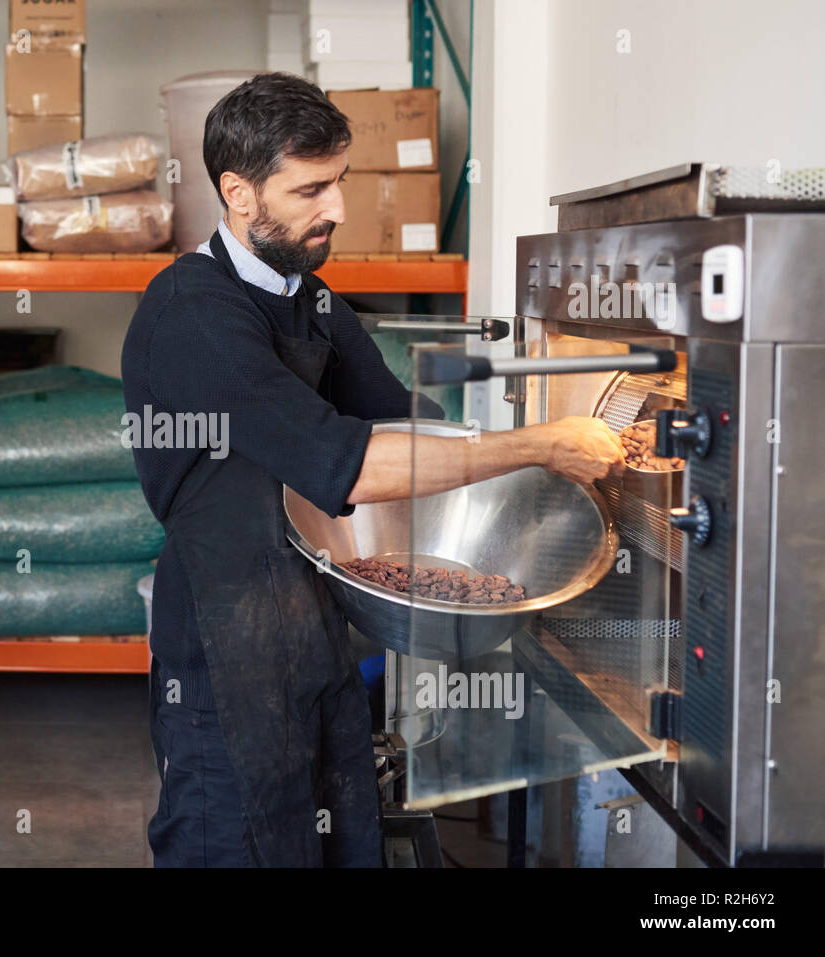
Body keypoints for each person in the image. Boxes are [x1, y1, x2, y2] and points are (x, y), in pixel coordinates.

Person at [120, 73, 625, 868]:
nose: (339, 209)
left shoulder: (311, 300)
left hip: (315, 625)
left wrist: (541, 471)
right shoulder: (192, 314)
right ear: (238, 193)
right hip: (222, 645)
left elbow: (407, 432)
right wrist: (536, 447)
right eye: (311, 188)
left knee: (334, 836)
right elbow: (346, 463)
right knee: (233, 838)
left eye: (341, 182)